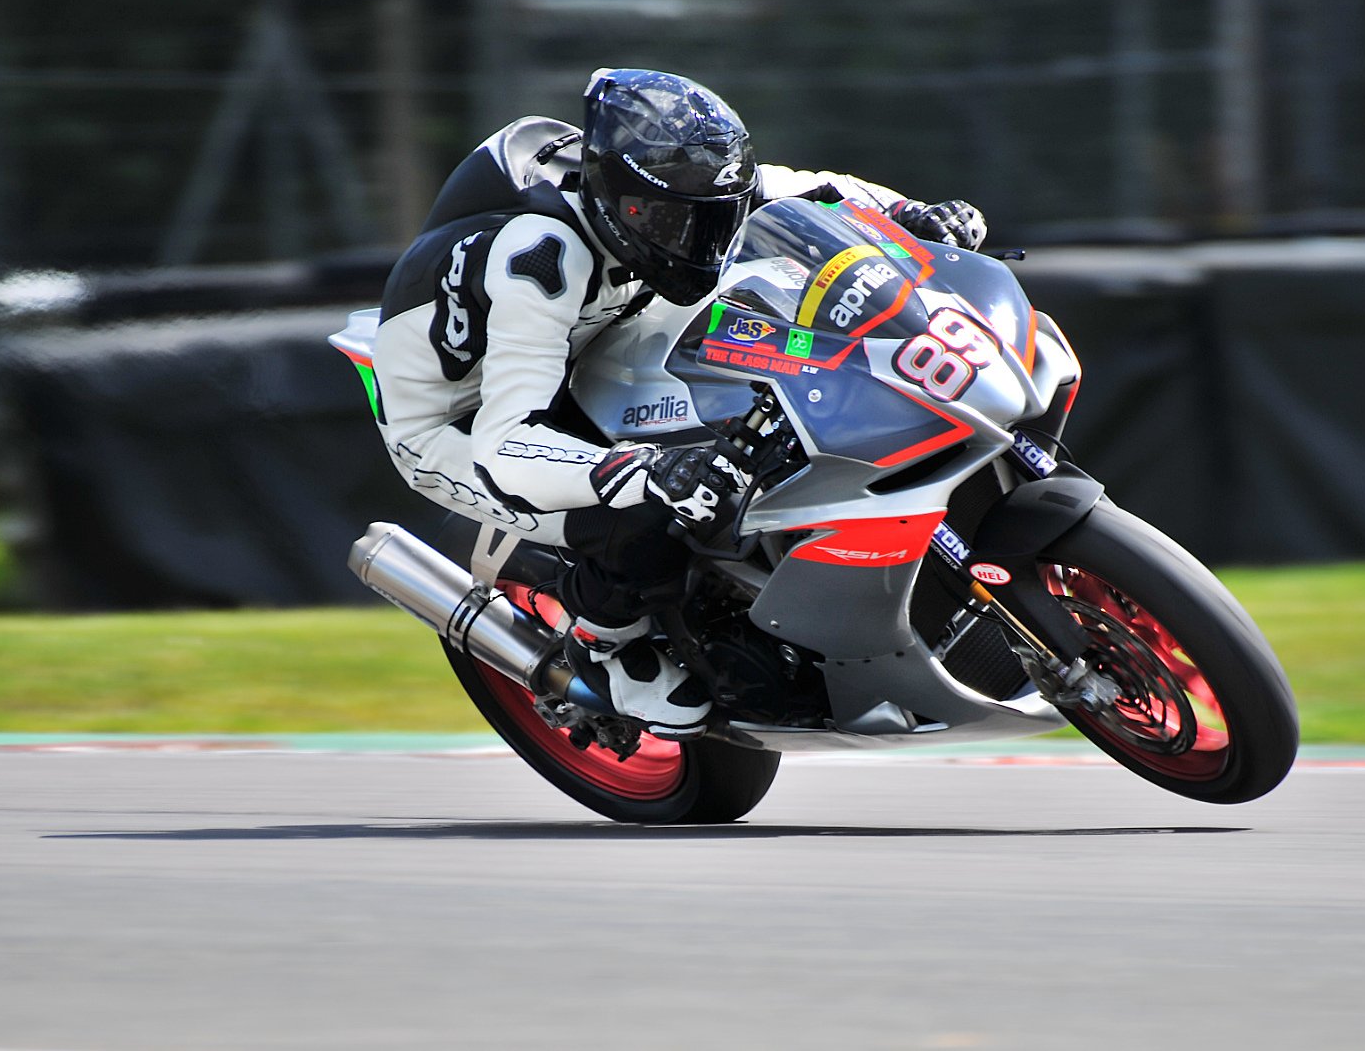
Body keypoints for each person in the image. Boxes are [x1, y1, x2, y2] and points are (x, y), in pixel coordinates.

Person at [371, 68, 987, 739]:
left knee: (743, 396)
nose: (704, 239)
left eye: (713, 217)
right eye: (674, 221)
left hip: (588, 339)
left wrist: (912, 217)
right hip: (461, 421)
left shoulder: (675, 178)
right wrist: (640, 472)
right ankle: (605, 645)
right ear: (615, 200)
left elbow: (814, 191)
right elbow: (506, 442)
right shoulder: (543, 258)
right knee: (649, 502)